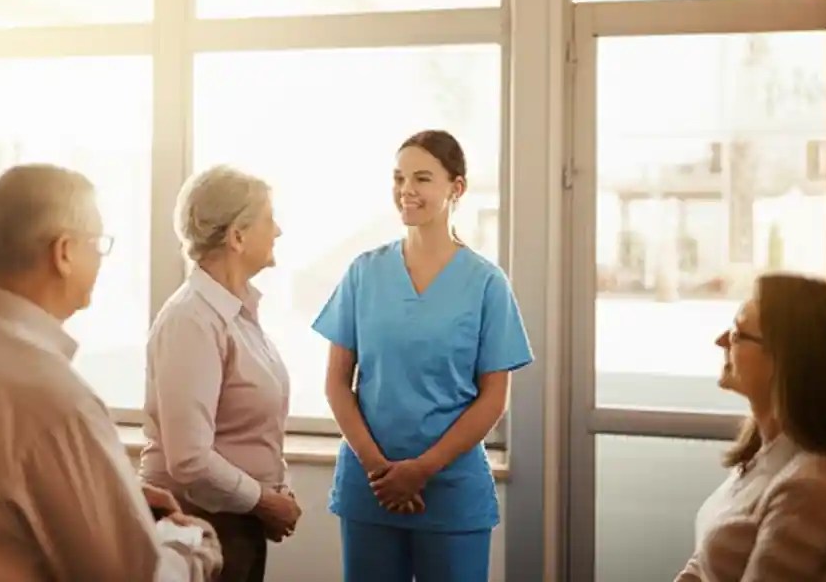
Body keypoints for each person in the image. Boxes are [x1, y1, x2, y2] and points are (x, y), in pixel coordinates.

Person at [0, 164, 222, 582]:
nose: (100, 261)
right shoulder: (52, 397)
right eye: (97, 244)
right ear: (64, 252)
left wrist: (108, 501)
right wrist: (189, 547)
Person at [313, 130, 534, 582]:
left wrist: (421, 470)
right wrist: (380, 470)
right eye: (398, 178)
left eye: (422, 178)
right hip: (369, 489)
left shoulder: (487, 284)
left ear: (457, 188)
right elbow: (337, 383)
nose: (406, 191)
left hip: (450, 492)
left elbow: (494, 399)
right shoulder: (364, 272)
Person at [141, 165, 301, 582]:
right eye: (269, 219)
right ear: (237, 236)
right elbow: (190, 460)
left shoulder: (237, 313)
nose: (278, 230)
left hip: (239, 522)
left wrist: (274, 490)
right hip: (203, 526)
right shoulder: (191, 320)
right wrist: (265, 501)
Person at [676, 274, 826, 581]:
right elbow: (703, 565)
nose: (721, 340)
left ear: (784, 360)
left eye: (737, 332)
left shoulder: (812, 487)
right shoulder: (768, 456)